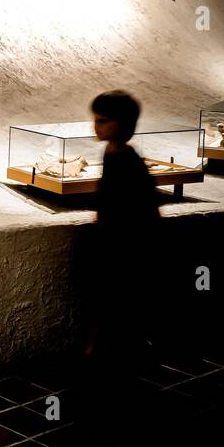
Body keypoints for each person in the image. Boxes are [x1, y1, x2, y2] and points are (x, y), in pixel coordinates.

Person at [81, 90, 163, 368]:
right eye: (96, 120)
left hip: (127, 244)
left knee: (117, 300)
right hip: (113, 240)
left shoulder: (128, 160)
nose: (96, 127)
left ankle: (107, 353)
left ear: (123, 124)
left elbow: (140, 207)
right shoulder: (111, 153)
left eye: (103, 121)